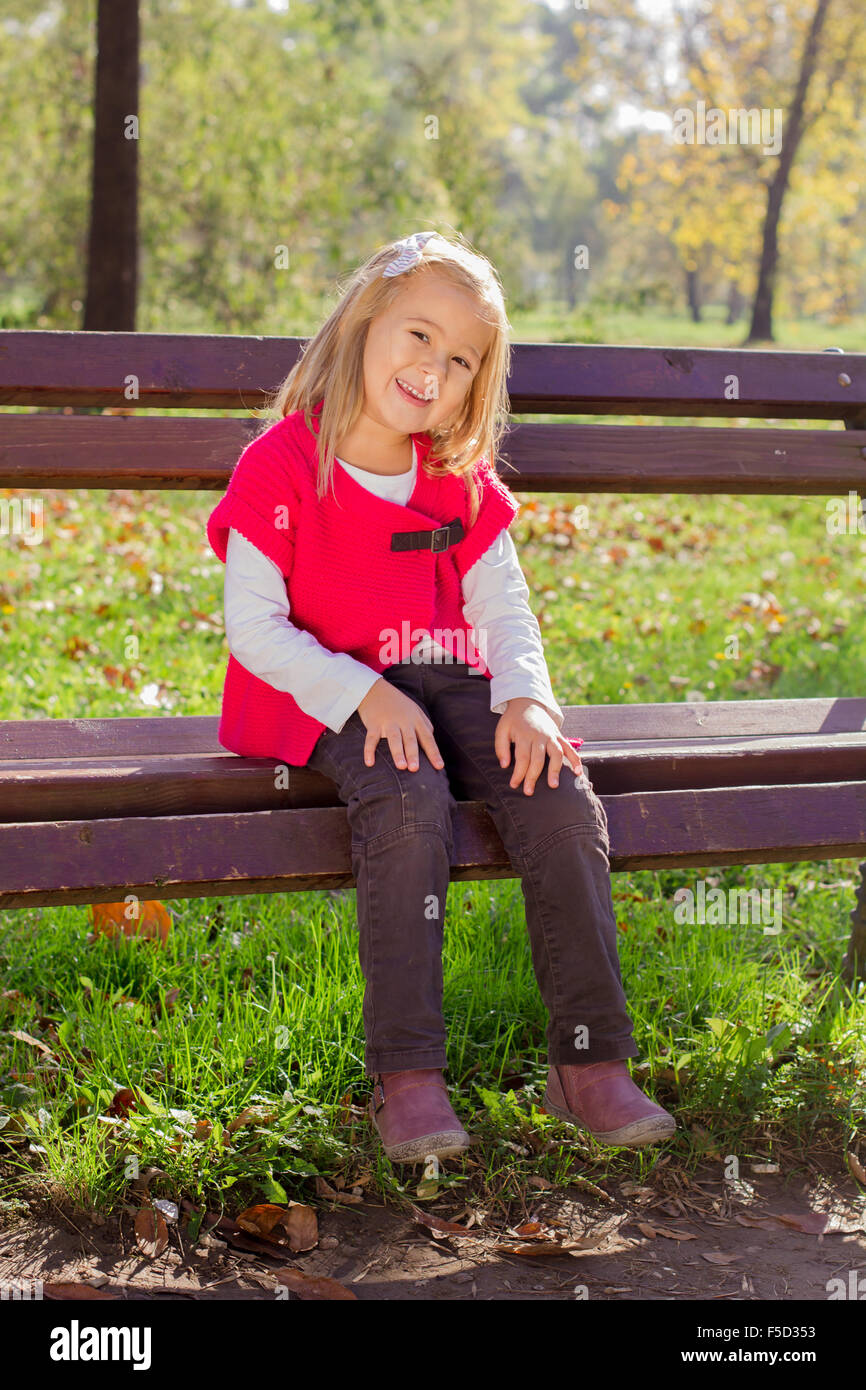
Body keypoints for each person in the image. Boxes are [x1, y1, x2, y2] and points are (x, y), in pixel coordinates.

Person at [206, 229, 675, 1163]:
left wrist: (528, 701)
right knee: (409, 805)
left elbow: (503, 606)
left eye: (460, 359)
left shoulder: (455, 480)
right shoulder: (284, 466)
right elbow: (255, 629)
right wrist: (363, 695)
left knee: (559, 801)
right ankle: (409, 1077)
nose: (433, 367)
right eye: (418, 335)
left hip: (443, 678)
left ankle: (589, 1063)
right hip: (321, 689)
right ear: (365, 321)